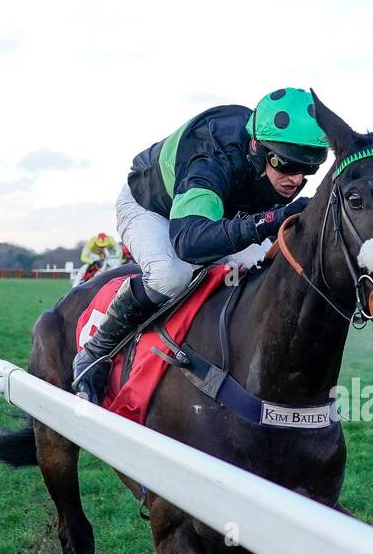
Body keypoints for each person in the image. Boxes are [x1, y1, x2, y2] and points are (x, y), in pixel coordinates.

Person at [71, 86, 329, 403]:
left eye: (309, 168)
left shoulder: (264, 158)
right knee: (171, 274)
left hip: (216, 211)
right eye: (286, 164)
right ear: (257, 148)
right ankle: (95, 353)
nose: (297, 179)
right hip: (152, 208)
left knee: (269, 271)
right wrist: (269, 221)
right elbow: (189, 242)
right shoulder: (212, 157)